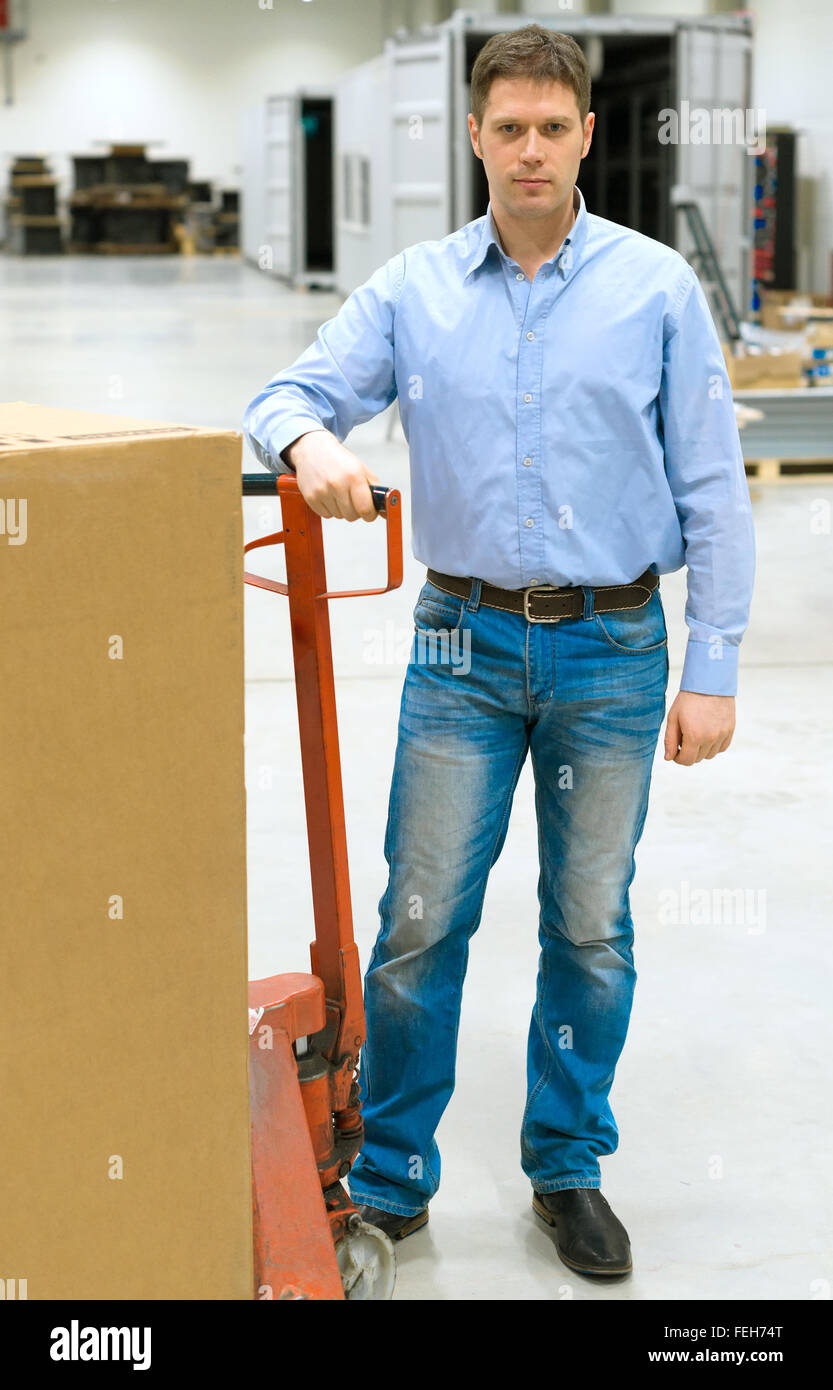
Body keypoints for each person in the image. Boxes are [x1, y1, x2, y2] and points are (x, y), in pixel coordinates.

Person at [242, 24, 755, 1280]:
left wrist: (714, 665)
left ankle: (565, 1165)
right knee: (419, 923)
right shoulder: (413, 288)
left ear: (586, 135)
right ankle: (392, 1178)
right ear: (472, 136)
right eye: (507, 128)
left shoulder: (651, 290)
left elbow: (711, 485)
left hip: (612, 648)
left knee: (588, 925)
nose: (529, 150)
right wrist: (311, 449)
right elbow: (282, 398)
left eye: (551, 127)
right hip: (457, 648)